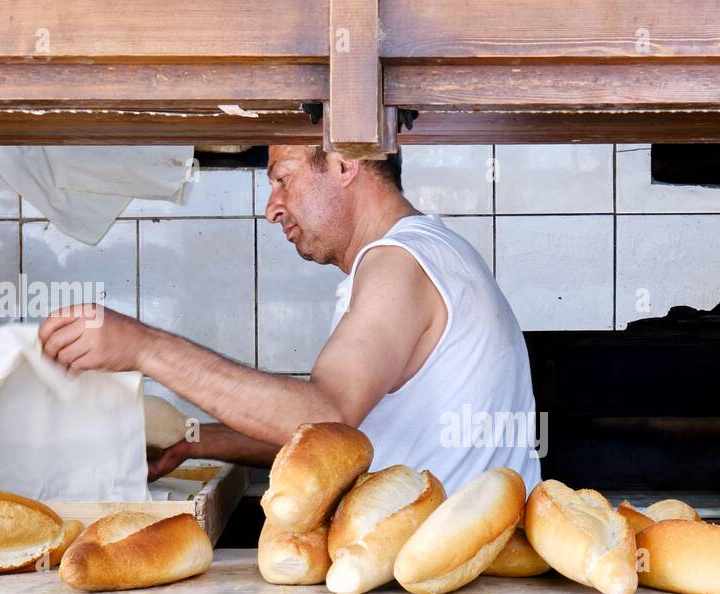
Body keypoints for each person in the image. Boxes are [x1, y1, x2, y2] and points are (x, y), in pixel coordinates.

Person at [38, 144, 541, 493]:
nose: (271, 208)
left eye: (283, 178)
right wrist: (190, 441)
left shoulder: (397, 263)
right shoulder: (431, 250)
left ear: (345, 164)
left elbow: (326, 413)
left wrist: (143, 346)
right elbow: (343, 436)